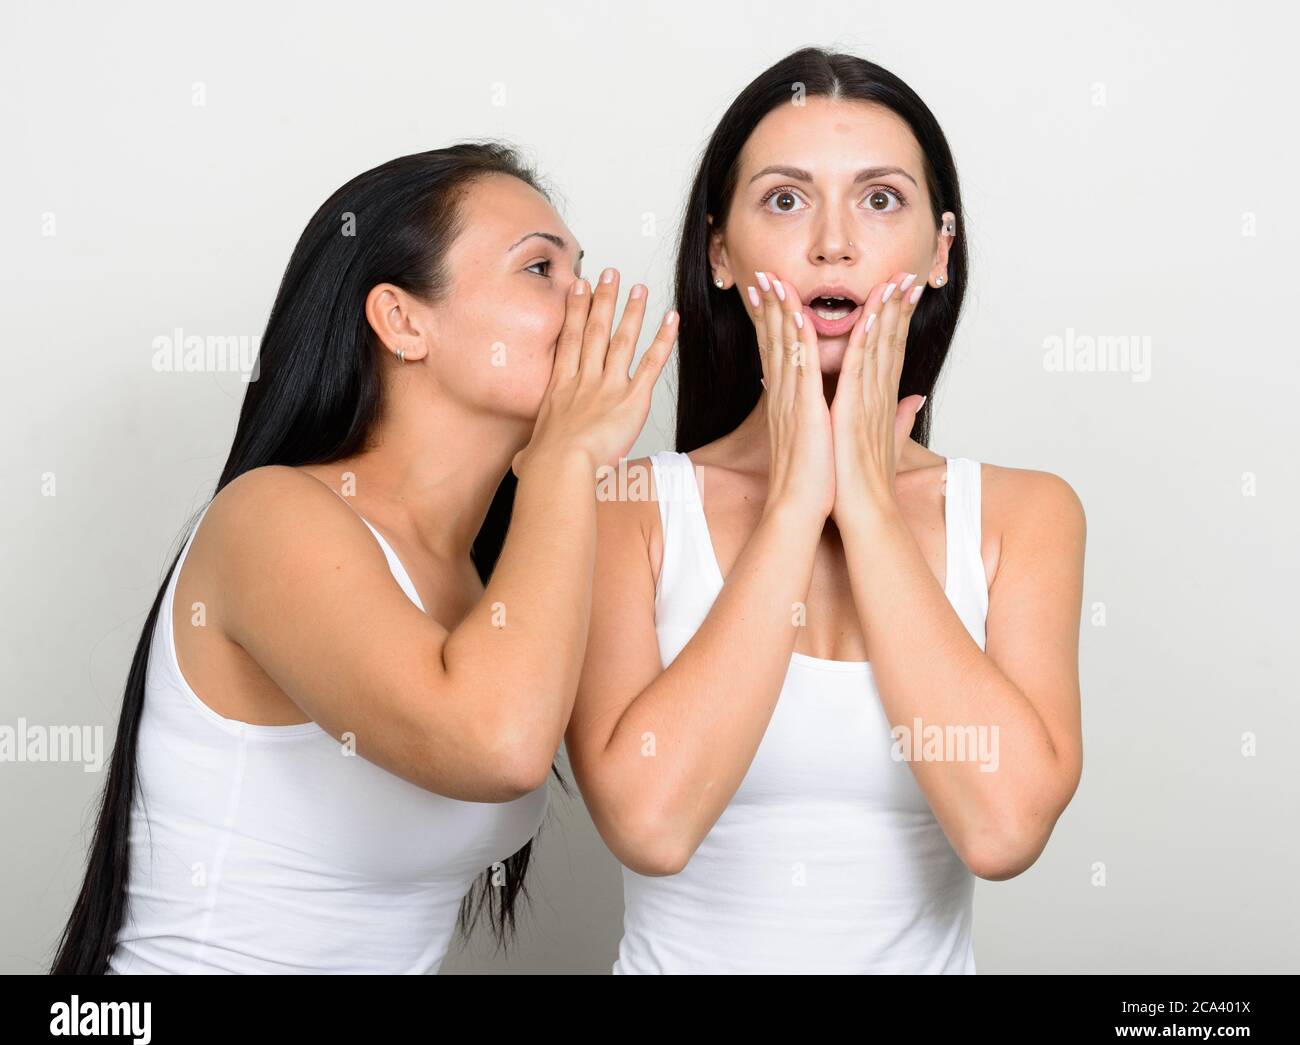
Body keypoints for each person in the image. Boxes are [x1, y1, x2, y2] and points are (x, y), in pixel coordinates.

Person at [51, 143, 677, 974]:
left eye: (581, 269)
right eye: (540, 269)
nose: (589, 300)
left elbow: (655, 808)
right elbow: (497, 743)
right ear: (403, 321)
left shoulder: (498, 576)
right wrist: (568, 460)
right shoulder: (270, 517)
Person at [566, 48, 1086, 974]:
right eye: (785, 199)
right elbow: (651, 822)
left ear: (940, 251)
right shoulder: (623, 507)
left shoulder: (1025, 514)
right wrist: (799, 499)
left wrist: (872, 507)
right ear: (719, 252)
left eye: (881, 199)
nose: (833, 245)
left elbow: (1003, 828)